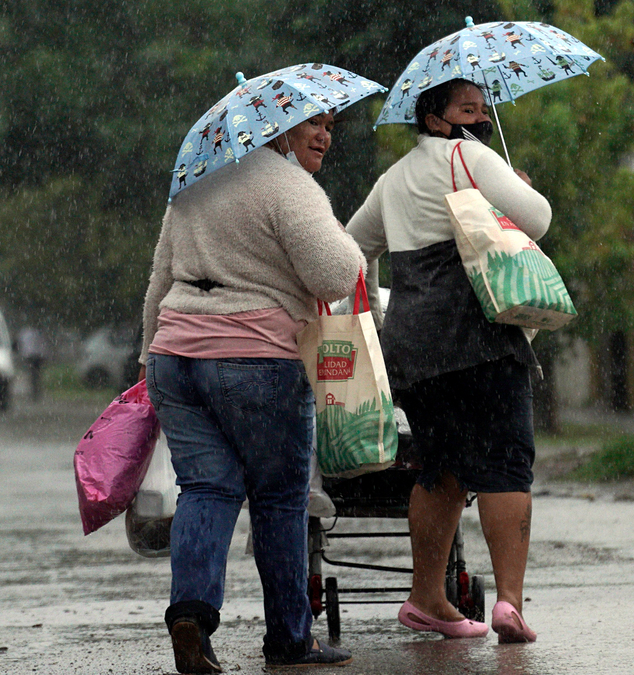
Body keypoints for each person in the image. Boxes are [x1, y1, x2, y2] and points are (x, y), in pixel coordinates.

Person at [139, 110, 366, 673]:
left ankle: (191, 615)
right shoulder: (289, 185)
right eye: (311, 124)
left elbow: (159, 281)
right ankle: (290, 638)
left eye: (329, 125)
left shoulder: (196, 182)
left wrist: (149, 359)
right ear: (274, 130)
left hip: (176, 359)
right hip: (257, 360)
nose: (324, 135)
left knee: (206, 489)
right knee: (279, 499)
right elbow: (336, 275)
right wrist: (350, 244)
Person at [345, 78, 551, 643]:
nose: (479, 118)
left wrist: (378, 321)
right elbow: (538, 219)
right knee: (507, 462)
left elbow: (351, 249)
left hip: (415, 350)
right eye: (467, 109)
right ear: (434, 118)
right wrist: (520, 189)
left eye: (483, 109)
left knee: (442, 468)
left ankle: (427, 598)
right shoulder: (471, 154)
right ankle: (508, 603)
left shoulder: (391, 181)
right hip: (479, 338)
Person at [17, 326, 47, 401]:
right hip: (36, 356)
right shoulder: (38, 333)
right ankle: (36, 391)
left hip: (30, 356)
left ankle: (35, 391)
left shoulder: (25, 332)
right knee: (36, 374)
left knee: (33, 374)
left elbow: (20, 344)